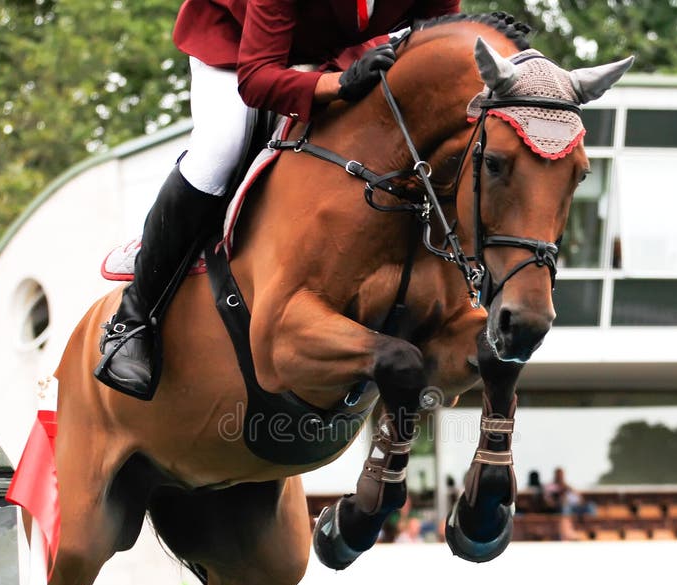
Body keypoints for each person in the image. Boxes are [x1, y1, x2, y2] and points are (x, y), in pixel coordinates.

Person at [94, 0, 460, 400]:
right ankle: (134, 319)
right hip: (237, 50)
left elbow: (437, 45)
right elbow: (256, 80)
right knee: (221, 152)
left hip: (333, 47)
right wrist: (337, 85)